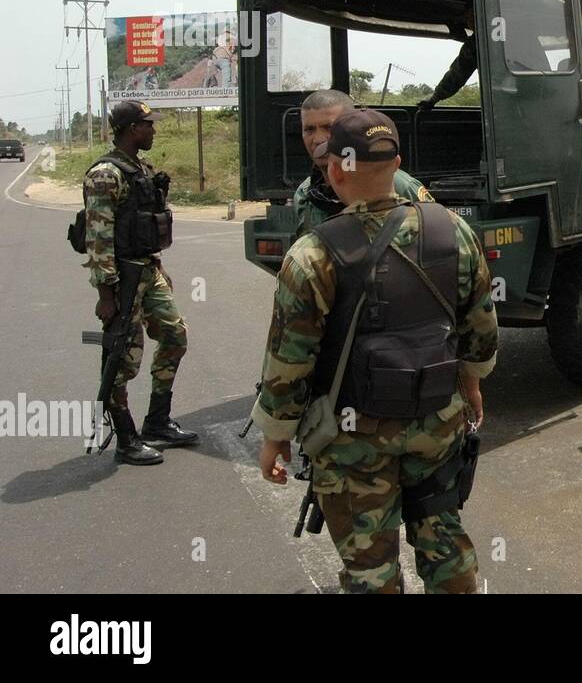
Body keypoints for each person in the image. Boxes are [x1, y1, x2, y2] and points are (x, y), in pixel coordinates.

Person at [251, 109, 498, 593]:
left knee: (371, 569)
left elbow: (288, 365)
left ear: (335, 169)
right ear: (398, 163)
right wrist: (470, 383)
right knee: (445, 544)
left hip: (352, 440)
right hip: (436, 421)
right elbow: (481, 328)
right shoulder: (452, 230)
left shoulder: (311, 254)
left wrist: (275, 435)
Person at [83, 100, 198, 464]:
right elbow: (98, 239)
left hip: (147, 270)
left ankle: (157, 421)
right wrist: (106, 294)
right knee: (122, 360)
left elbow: (143, 225)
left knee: (174, 336)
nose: (154, 130)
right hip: (123, 279)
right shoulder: (105, 174)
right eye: (149, 125)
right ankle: (126, 439)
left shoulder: (138, 168)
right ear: (133, 128)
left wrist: (158, 265)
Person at [293, 90, 434, 236]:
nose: (318, 139)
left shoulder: (398, 184)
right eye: (309, 129)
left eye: (328, 128)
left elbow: (437, 237)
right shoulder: (305, 195)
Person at [418, 8, 478, 108]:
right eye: (466, 18)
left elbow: (458, 74)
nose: (468, 22)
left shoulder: (475, 43)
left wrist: (434, 98)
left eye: (469, 17)